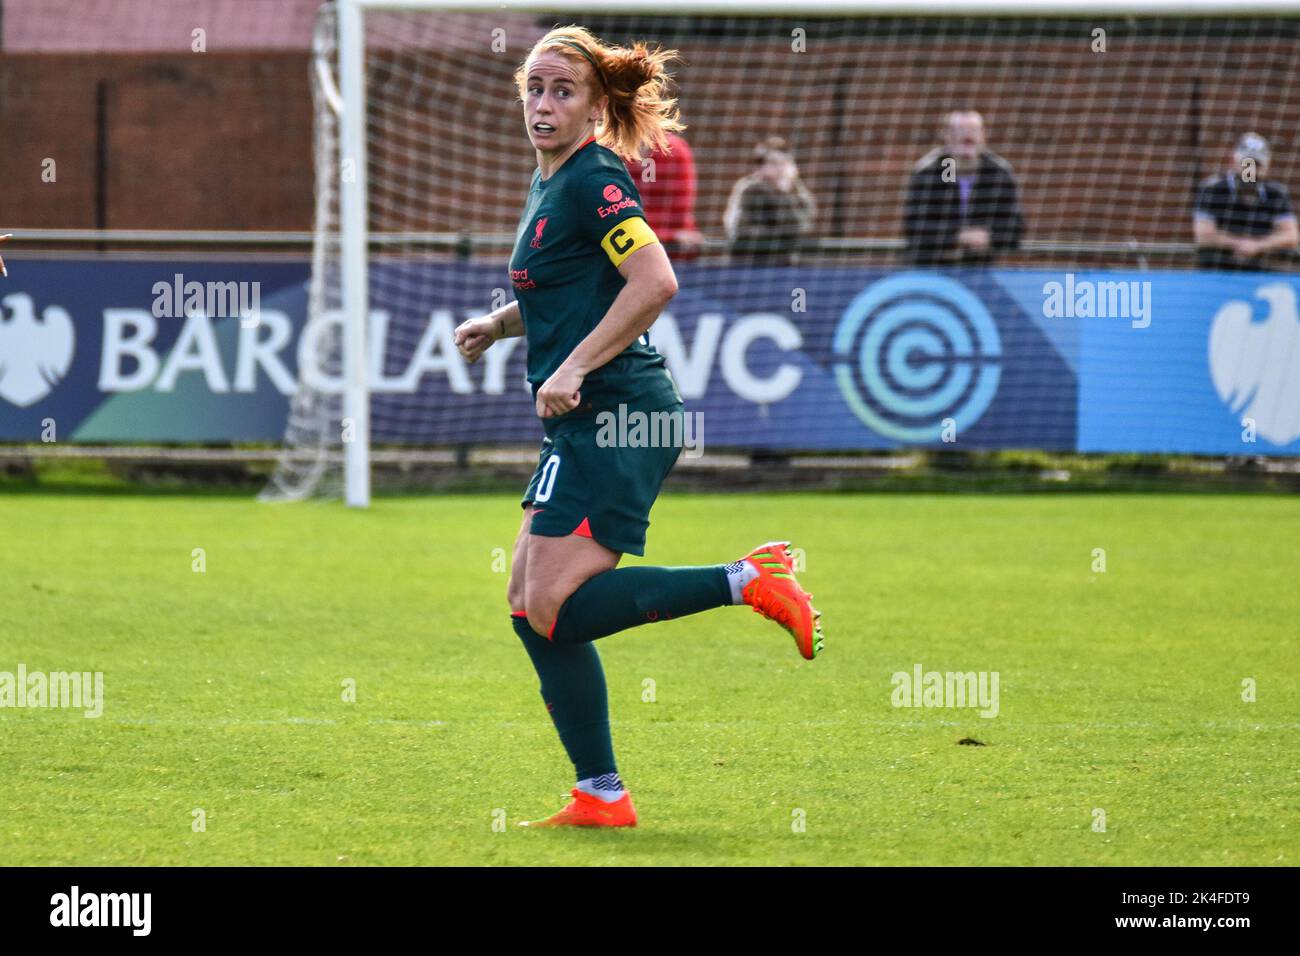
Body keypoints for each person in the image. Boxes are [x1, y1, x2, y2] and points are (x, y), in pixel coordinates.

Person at [452, 26, 824, 829]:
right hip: (586, 418)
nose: (543, 104)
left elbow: (655, 280)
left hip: (622, 414)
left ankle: (749, 580)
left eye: (562, 91)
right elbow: (570, 292)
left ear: (594, 107)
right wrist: (502, 326)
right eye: (535, 88)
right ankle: (601, 795)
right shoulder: (548, 179)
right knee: (527, 606)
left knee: (553, 607)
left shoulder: (594, 178)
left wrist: (575, 366)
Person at [903, 110, 1023, 266]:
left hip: (981, 268)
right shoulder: (931, 172)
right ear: (947, 136)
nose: (967, 135)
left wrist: (987, 237)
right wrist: (958, 237)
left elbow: (1014, 227)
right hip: (931, 267)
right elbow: (916, 226)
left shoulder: (998, 172)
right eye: (960, 130)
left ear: (983, 136)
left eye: (973, 130)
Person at [1194, 133, 1299, 271]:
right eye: (1246, 164)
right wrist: (1239, 244)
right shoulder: (1212, 189)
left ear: (1267, 167)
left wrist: (1258, 246)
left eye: (1257, 165)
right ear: (1232, 161)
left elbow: (1291, 236)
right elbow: (1204, 236)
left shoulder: (1277, 193)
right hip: (1218, 271)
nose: (1250, 172)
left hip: (1263, 272)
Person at [722, 136, 817, 264]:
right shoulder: (749, 189)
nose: (780, 169)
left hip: (785, 263)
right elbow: (740, 231)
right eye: (773, 163)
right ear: (759, 167)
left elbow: (802, 226)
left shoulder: (795, 189)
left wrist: (784, 193)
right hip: (750, 263)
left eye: (784, 163)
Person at [623, 130, 705, 262]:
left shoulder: (675, 150)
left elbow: (680, 213)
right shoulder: (606, 150)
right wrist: (667, 235)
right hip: (625, 249)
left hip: (673, 252)